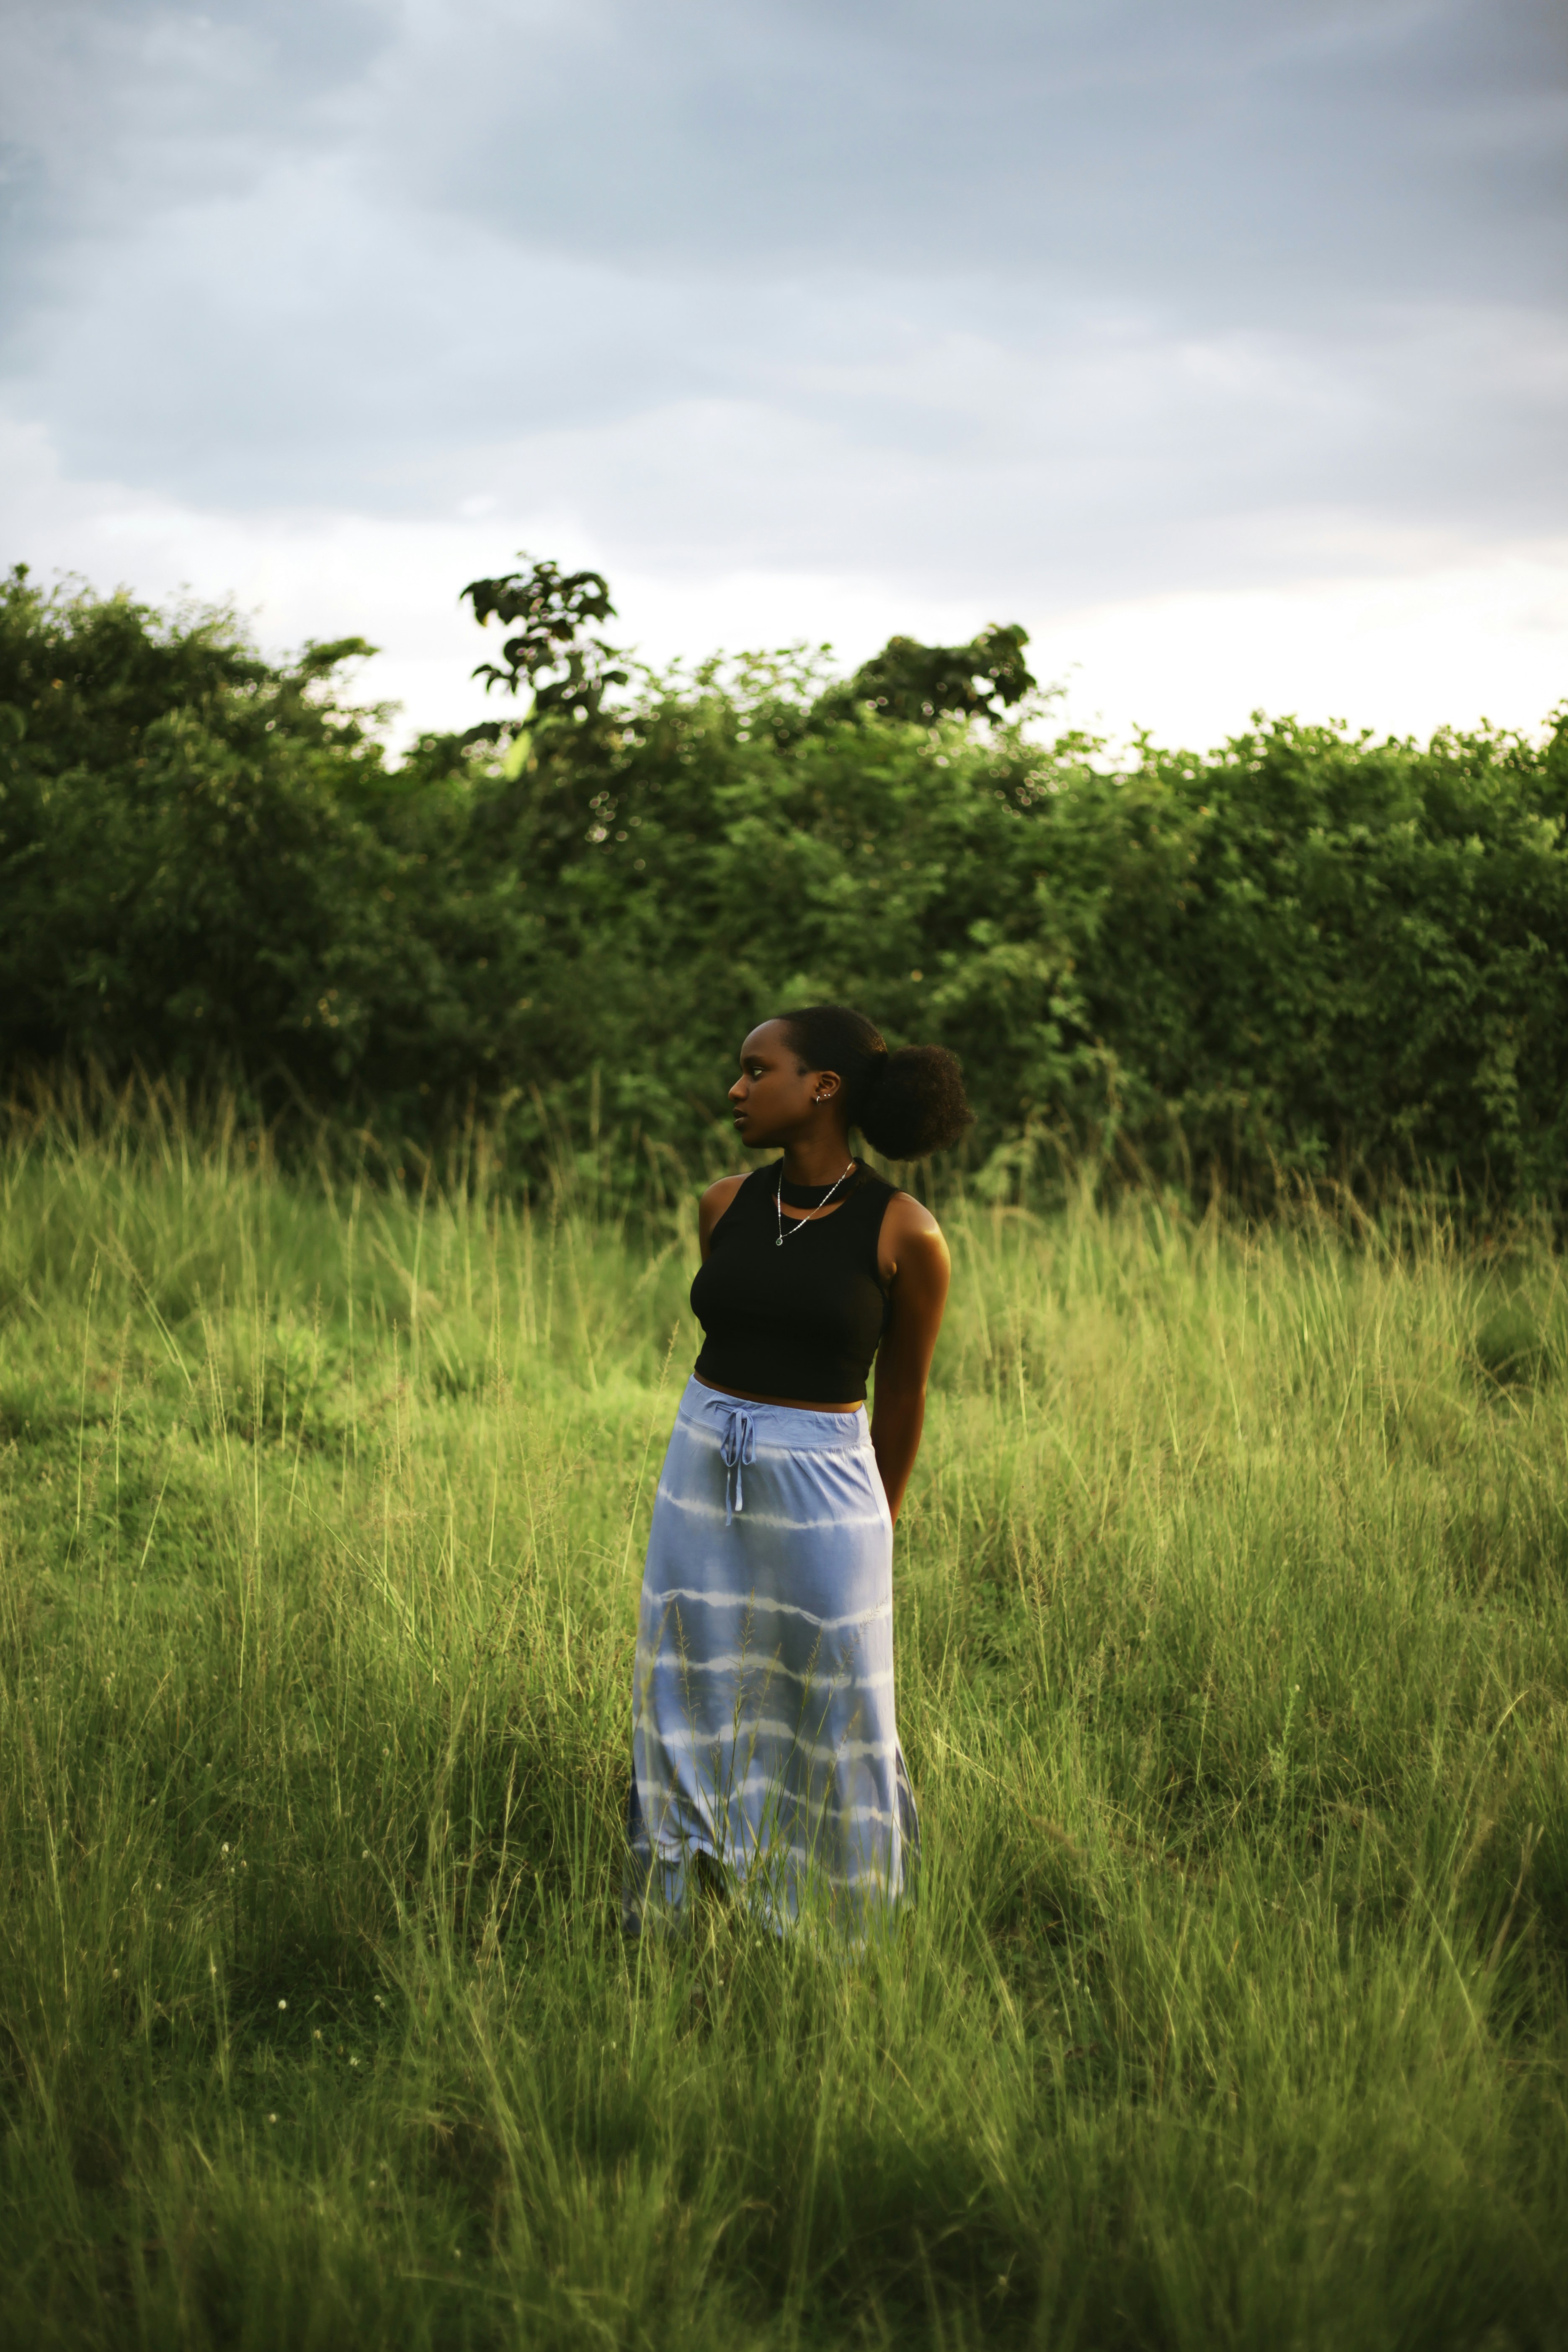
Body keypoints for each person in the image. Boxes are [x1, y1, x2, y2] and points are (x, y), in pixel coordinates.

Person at [624, 1003, 970, 1934]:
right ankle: (680, 1906)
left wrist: (877, 1523)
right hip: (701, 1471)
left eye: (755, 1070)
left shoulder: (905, 1232)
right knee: (686, 1679)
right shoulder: (724, 1204)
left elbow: (902, 1398)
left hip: (827, 1489)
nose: (736, 1089)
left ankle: (839, 1920)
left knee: (834, 1693)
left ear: (822, 1088)